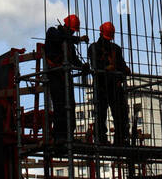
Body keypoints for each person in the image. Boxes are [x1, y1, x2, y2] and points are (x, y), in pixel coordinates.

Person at [44, 13, 87, 145]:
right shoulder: (53, 32)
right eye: (72, 31)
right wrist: (78, 39)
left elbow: (73, 59)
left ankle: (69, 134)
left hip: (65, 76)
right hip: (55, 75)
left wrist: (82, 66)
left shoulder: (68, 42)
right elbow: (60, 38)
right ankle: (59, 135)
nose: (73, 33)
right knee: (60, 104)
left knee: (70, 105)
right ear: (66, 26)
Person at [87, 21, 131, 146]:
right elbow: (95, 65)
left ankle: (120, 138)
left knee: (120, 113)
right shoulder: (94, 48)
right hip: (101, 85)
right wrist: (106, 68)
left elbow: (121, 63)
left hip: (114, 85)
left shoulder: (115, 49)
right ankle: (101, 138)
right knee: (101, 114)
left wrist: (125, 68)